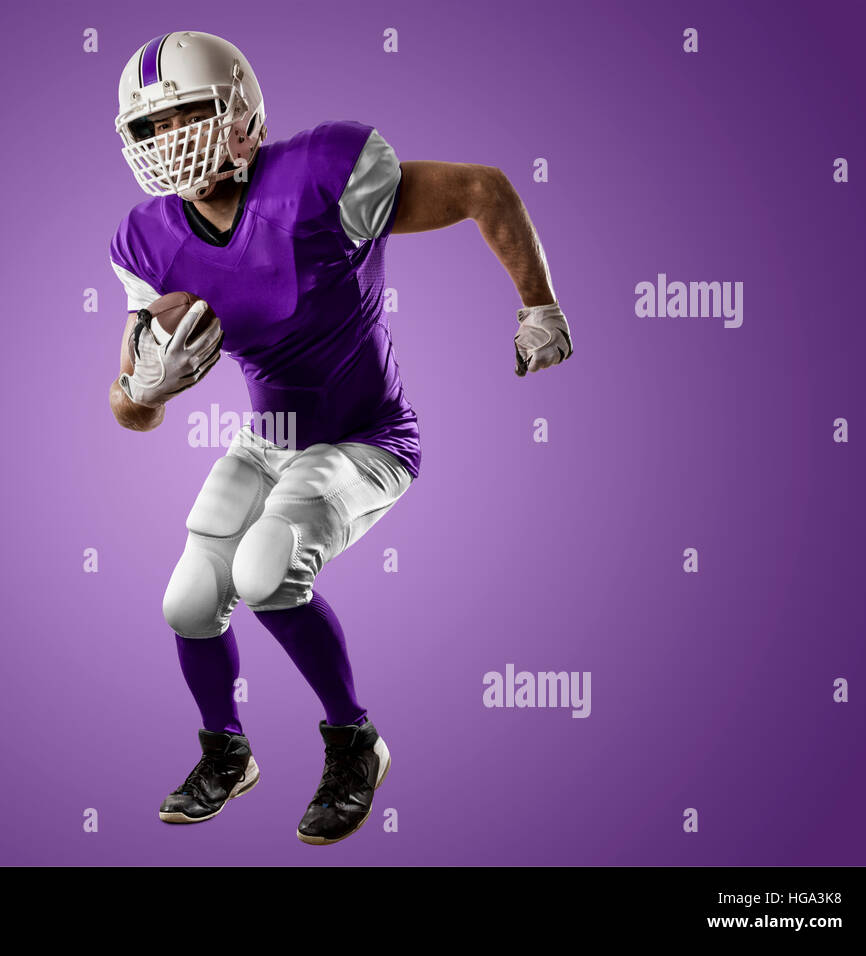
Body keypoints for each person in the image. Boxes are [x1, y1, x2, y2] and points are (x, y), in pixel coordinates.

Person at [107, 31, 573, 845]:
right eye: (151, 127)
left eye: (187, 114)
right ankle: (227, 753)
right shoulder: (148, 242)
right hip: (269, 438)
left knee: (261, 571)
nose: (169, 140)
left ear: (241, 112)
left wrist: (539, 305)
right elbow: (128, 410)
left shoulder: (318, 176)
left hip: (367, 436)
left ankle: (355, 741)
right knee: (186, 600)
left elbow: (480, 188)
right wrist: (144, 392)